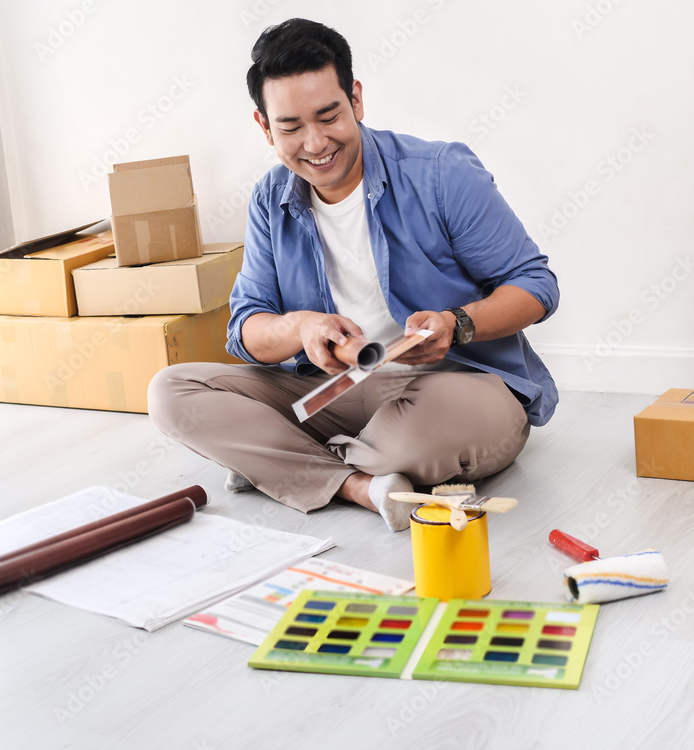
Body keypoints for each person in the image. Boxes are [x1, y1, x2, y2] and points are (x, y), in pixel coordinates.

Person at [147, 18, 559, 531]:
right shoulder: (270, 199)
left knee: (405, 441)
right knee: (171, 393)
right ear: (264, 127)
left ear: (356, 99)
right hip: (335, 391)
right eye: (290, 127)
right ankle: (360, 484)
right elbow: (246, 327)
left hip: (453, 386)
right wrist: (300, 328)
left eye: (329, 116)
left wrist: (458, 322)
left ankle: (280, 465)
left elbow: (537, 285)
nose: (316, 143)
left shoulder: (440, 173)